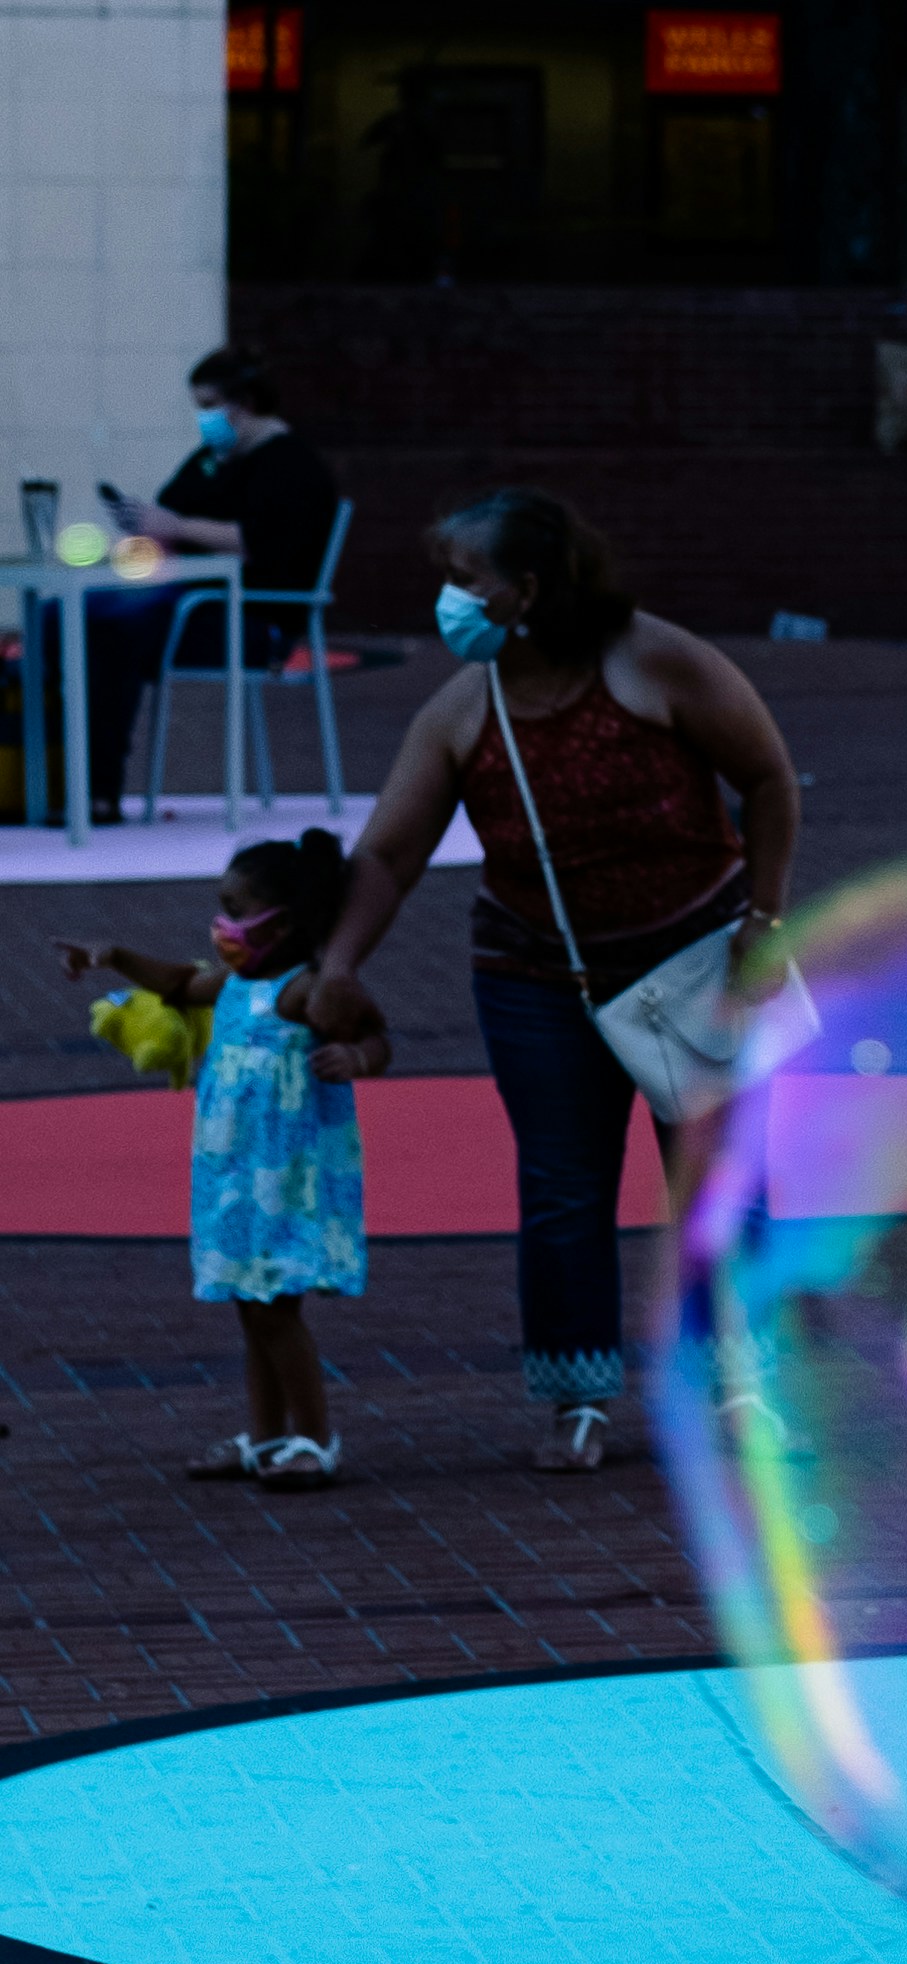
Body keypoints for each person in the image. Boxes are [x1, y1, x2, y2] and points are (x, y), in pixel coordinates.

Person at [301, 488, 801, 1472]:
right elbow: (391, 854)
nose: (447, 601)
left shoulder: (652, 660)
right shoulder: (464, 706)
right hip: (537, 977)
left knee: (716, 1182)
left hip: (688, 961)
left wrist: (766, 916)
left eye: (463, 580)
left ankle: (742, 1382)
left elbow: (769, 776)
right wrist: (341, 963)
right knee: (564, 1190)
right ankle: (580, 1398)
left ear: (527, 588)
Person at [53, 830, 388, 1490]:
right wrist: (114, 956)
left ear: (282, 921)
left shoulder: (306, 990)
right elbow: (178, 984)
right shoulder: (234, 983)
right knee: (249, 1304)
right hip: (234, 1172)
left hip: (284, 1177)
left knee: (275, 1309)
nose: (222, 923)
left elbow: (375, 1032)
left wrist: (357, 1058)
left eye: (236, 909)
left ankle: (315, 1438)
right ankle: (265, 1438)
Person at [67, 347, 340, 821]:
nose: (204, 418)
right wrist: (147, 525)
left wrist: (178, 526)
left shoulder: (293, 466)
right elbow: (170, 514)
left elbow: (261, 542)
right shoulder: (210, 461)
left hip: (252, 618)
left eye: (211, 405)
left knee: (106, 631)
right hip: (188, 603)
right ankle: (47, 780)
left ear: (245, 401)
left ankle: (97, 791)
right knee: (61, 619)